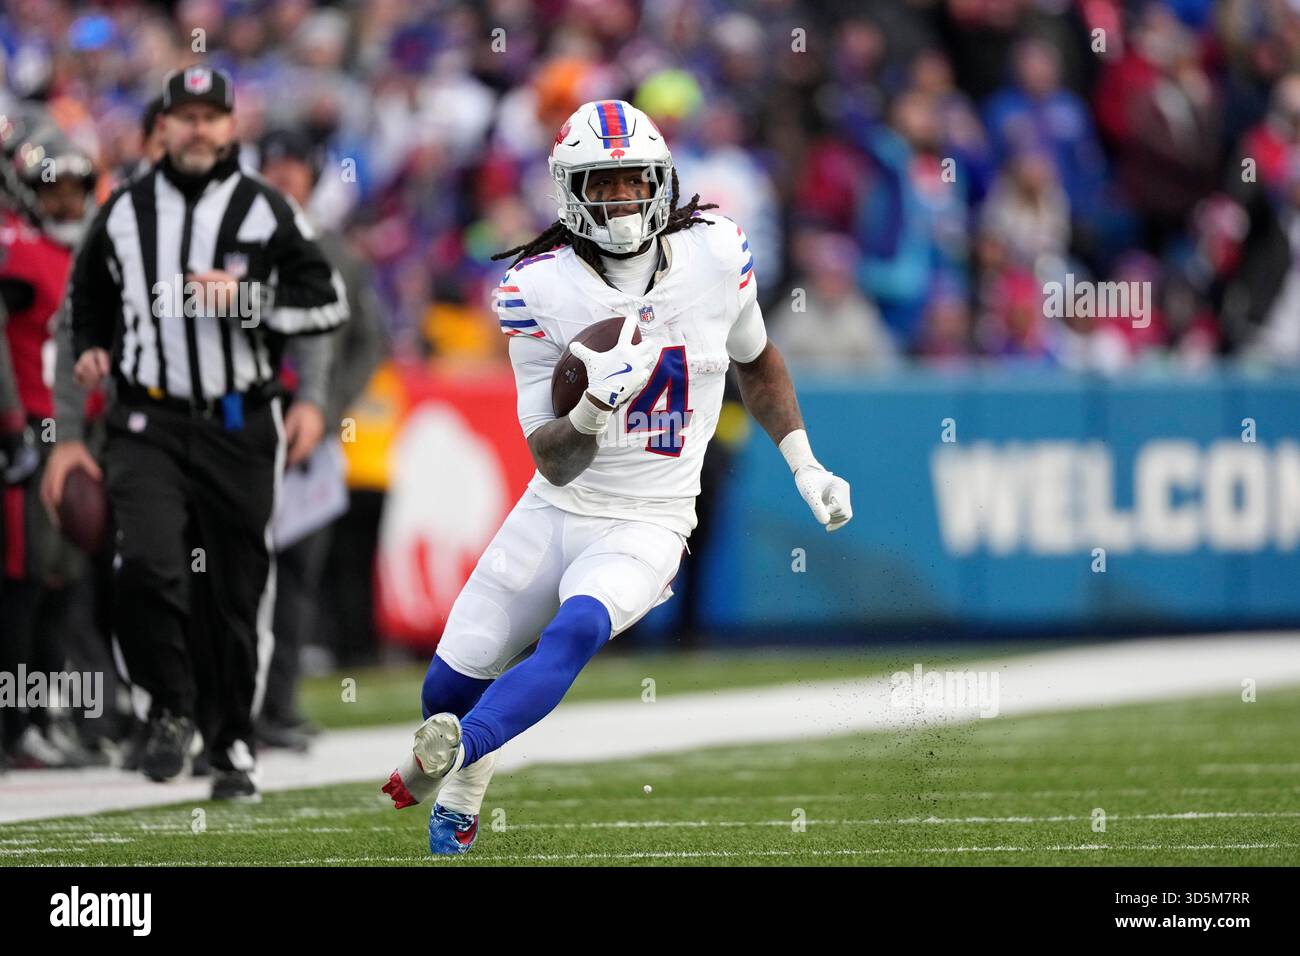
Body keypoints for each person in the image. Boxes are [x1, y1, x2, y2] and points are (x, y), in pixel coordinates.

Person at [381, 99, 852, 854]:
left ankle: (460, 763)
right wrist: (597, 406)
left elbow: (756, 360)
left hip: (652, 517)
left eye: (635, 181)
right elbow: (552, 457)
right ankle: (467, 760)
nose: (624, 199)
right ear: (572, 193)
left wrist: (806, 464)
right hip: (559, 501)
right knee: (446, 691)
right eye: (604, 184)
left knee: (573, 631)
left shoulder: (716, 253)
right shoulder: (537, 288)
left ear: (661, 181)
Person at [50, 65, 349, 801]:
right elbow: (81, 301)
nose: (197, 128)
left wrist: (249, 299)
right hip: (146, 418)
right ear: (162, 127)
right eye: (183, 116)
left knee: (234, 592)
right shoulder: (120, 211)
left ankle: (232, 740)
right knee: (148, 566)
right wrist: (86, 365)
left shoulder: (268, 208)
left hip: (240, 423)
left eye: (210, 116)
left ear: (229, 126)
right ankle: (169, 708)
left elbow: (326, 303)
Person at [256, 127, 387, 750]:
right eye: (274, 163)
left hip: (311, 437)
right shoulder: (236, 242)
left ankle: (276, 706)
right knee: (232, 574)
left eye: (295, 164)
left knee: (298, 574)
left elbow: (371, 339)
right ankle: (223, 706)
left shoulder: (337, 254)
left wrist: (326, 405)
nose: (284, 175)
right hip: (241, 427)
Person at [0, 110, 103, 768]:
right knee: (27, 580)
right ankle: (16, 725)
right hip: (30, 434)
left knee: (66, 580)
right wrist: (12, 425)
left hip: (76, 432)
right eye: (51, 187)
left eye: (74, 187)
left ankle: (45, 715)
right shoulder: (16, 248)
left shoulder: (80, 249)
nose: (65, 199)